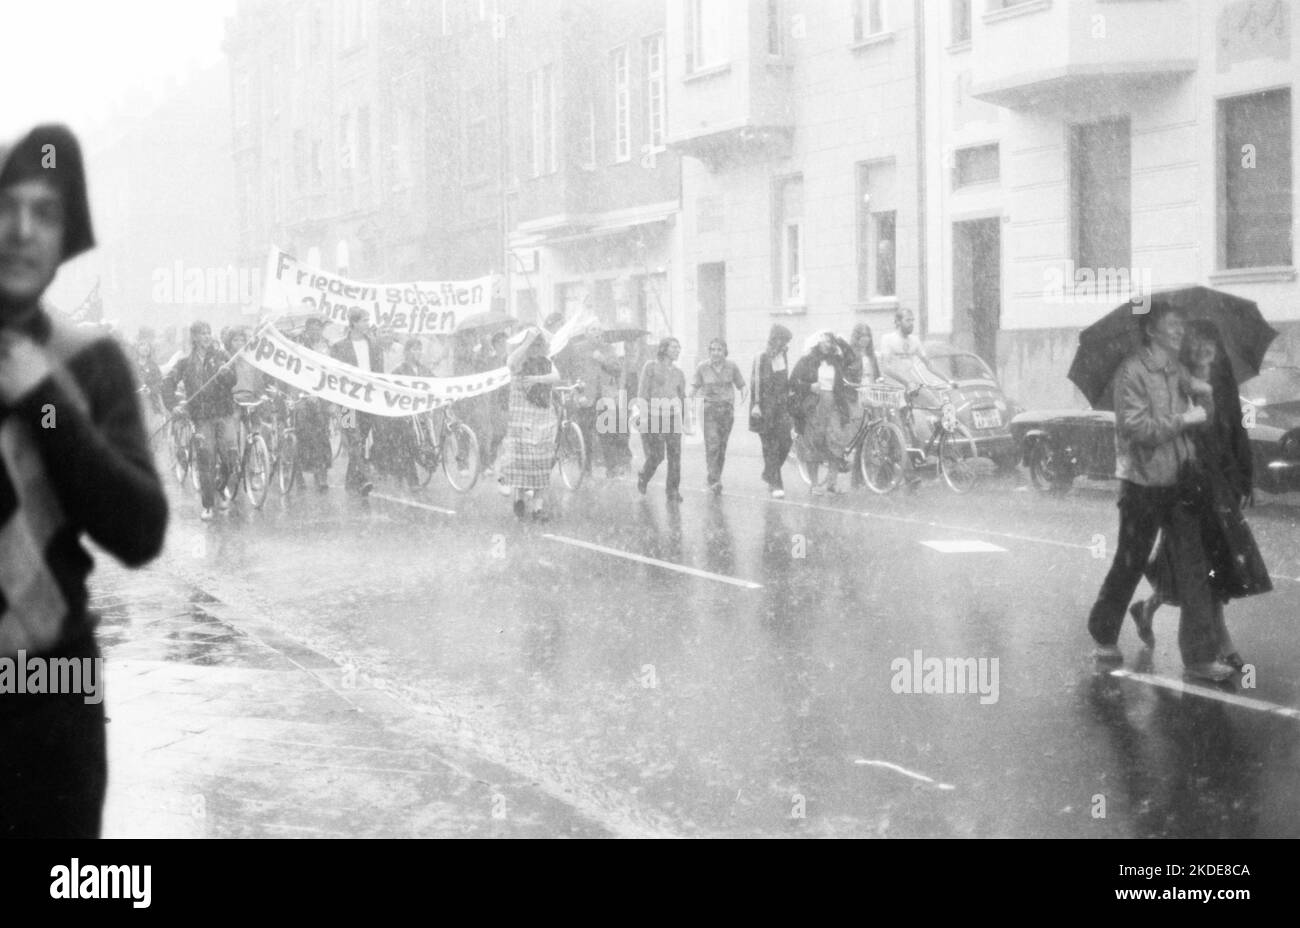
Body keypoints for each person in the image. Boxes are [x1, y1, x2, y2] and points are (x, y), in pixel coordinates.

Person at [0, 123, 168, 837]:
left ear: (65, 238)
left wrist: (45, 402)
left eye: (46, 213)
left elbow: (138, 530)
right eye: (8, 207)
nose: (22, 230)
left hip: (52, 688)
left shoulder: (90, 362)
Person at [1085, 302, 1232, 682]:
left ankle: (1199, 658)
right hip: (1142, 484)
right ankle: (1104, 634)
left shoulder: (1177, 370)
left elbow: (1205, 423)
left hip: (1180, 483)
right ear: (1151, 330)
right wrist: (1185, 417)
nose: (1180, 331)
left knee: (1194, 566)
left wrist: (1205, 391)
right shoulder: (1132, 372)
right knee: (1129, 563)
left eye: (1182, 324)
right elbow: (1138, 430)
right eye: (1172, 324)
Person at [1130, 319, 1270, 669]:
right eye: (1197, 341)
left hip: (1217, 483)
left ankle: (1147, 609)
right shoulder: (1176, 381)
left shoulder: (1222, 382)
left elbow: (1237, 429)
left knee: (1207, 562)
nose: (1204, 348)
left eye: (1211, 342)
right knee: (1200, 564)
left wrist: (1244, 477)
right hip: (1184, 483)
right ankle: (1218, 641)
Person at [162, 320, 238, 520]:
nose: (206, 336)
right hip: (202, 417)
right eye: (202, 333)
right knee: (206, 459)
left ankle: (220, 486)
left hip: (224, 413)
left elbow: (233, 381)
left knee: (230, 458)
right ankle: (208, 504)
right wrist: (173, 406)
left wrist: (226, 374)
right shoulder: (185, 363)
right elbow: (167, 383)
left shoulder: (222, 357)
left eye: (208, 332)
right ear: (194, 337)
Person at [501, 327, 560, 521]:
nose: (536, 348)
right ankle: (519, 497)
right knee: (523, 462)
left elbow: (556, 377)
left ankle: (538, 507)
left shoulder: (546, 362)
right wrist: (526, 342)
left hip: (543, 419)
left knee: (542, 463)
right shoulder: (519, 362)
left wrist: (537, 379)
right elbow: (510, 363)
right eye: (532, 345)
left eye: (538, 344)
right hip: (522, 421)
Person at [790, 330, 857, 495]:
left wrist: (839, 339)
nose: (828, 344)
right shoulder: (807, 361)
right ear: (817, 342)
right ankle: (814, 484)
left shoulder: (836, 361)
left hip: (834, 402)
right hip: (815, 404)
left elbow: (851, 356)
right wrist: (809, 387)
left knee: (836, 440)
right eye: (825, 341)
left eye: (830, 342)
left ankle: (832, 483)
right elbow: (792, 382)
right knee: (814, 441)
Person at [330, 307, 381, 496]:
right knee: (354, 438)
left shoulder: (374, 345)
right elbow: (333, 376)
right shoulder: (338, 347)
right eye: (364, 320)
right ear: (354, 323)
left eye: (368, 320)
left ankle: (351, 480)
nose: (367, 324)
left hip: (368, 400)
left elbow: (379, 372)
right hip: (346, 401)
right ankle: (363, 478)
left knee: (359, 441)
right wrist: (333, 403)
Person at [690, 337, 746, 495]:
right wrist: (689, 402)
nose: (716, 353)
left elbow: (741, 385)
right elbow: (694, 386)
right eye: (713, 349)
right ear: (709, 351)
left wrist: (743, 393)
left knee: (721, 446)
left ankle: (715, 477)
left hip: (727, 411)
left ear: (724, 352)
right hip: (709, 410)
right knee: (713, 444)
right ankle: (714, 480)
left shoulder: (732, 366)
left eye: (719, 350)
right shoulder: (702, 367)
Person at [637, 336, 686, 502]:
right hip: (654, 416)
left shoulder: (679, 373)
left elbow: (682, 397)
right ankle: (644, 475)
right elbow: (643, 392)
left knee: (675, 455)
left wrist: (684, 419)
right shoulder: (650, 367)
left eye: (679, 348)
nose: (677, 350)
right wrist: (642, 415)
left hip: (673, 417)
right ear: (664, 349)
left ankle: (672, 490)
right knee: (657, 456)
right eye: (674, 347)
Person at [751, 324, 794, 498]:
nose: (785, 345)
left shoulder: (783, 356)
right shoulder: (760, 357)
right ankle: (776, 482)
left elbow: (784, 381)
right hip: (763, 407)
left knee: (786, 442)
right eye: (783, 341)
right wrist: (756, 404)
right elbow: (756, 382)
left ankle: (769, 473)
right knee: (770, 446)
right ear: (775, 339)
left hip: (781, 407)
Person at [293, 316, 333, 489]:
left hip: (324, 396)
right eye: (312, 328)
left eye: (319, 328)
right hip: (303, 396)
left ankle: (321, 472)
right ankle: (300, 469)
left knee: (323, 435)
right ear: (307, 329)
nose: (316, 331)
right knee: (305, 435)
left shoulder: (328, 346)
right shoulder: (298, 346)